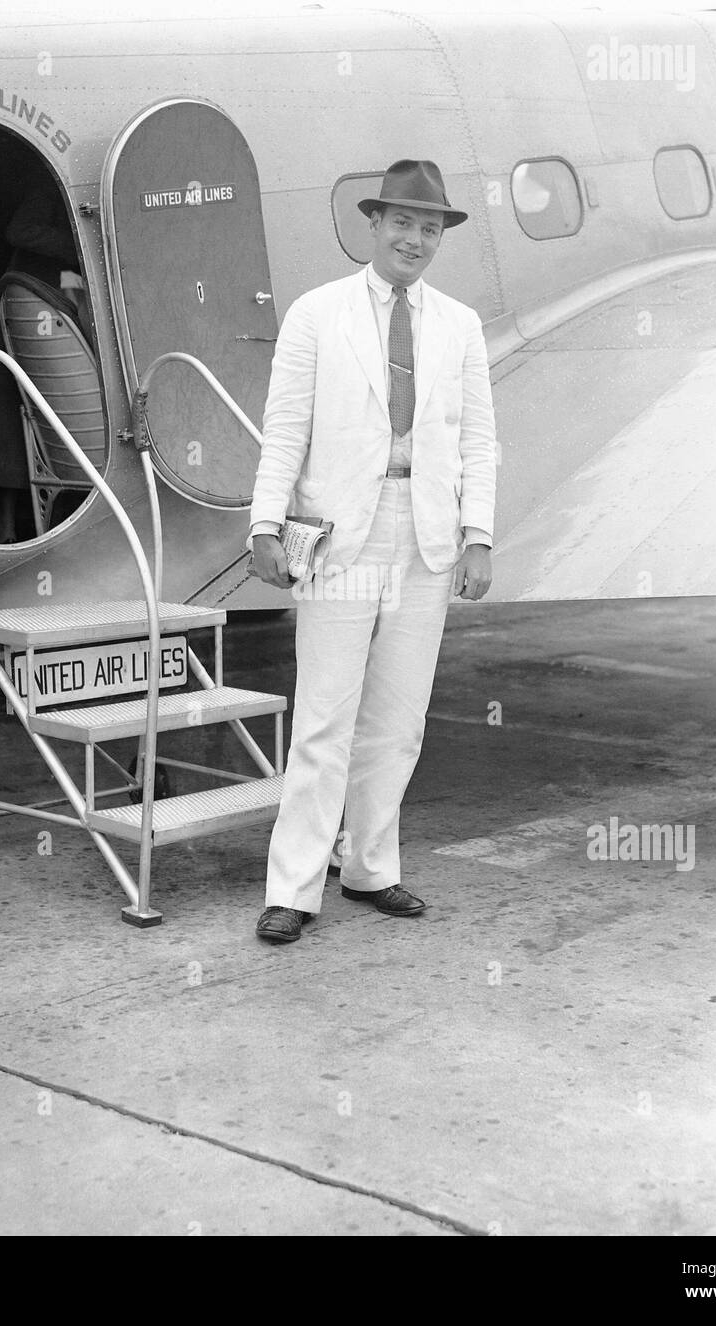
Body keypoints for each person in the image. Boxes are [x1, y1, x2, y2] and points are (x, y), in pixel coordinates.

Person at [249, 160, 497, 943]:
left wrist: (478, 534)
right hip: (338, 535)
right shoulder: (316, 314)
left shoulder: (458, 325)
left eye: (429, 228)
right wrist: (263, 521)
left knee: (397, 721)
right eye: (402, 223)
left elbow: (479, 440)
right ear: (373, 225)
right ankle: (292, 888)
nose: (414, 239)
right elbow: (284, 426)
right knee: (324, 718)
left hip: (422, 533)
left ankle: (370, 869)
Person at [0, 177, 90, 542]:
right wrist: (73, 245)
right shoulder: (48, 187)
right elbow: (19, 230)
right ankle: (5, 523)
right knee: (11, 410)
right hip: (31, 298)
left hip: (64, 287)